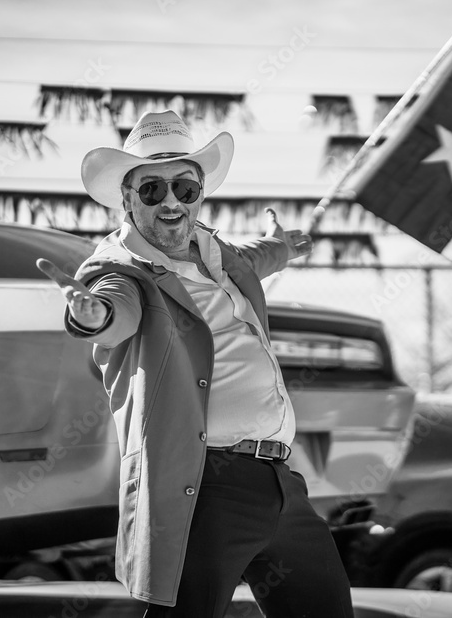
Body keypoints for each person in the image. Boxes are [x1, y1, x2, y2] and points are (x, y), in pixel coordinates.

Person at [37, 110, 355, 618]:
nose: (170, 202)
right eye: (152, 190)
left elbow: (252, 259)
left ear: (200, 194)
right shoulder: (121, 268)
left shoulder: (215, 253)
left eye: (183, 189)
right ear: (126, 199)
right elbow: (115, 308)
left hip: (280, 483)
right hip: (205, 486)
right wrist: (92, 315)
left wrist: (283, 247)